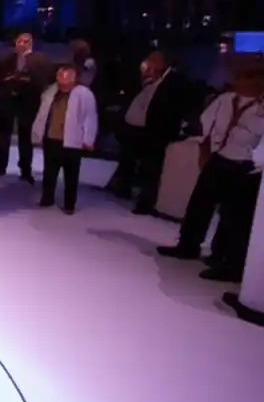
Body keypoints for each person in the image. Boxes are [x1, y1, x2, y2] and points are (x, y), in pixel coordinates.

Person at [157, 65, 264, 282]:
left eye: (246, 77)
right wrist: (205, 152)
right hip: (219, 158)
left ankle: (227, 262)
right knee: (199, 205)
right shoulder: (225, 100)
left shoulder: (261, 109)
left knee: (234, 217)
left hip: (246, 167)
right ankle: (188, 246)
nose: (239, 81)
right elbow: (205, 125)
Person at [110, 51, 190, 216]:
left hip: (157, 132)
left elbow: (171, 108)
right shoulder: (151, 79)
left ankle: (146, 202)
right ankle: (123, 186)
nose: (148, 63)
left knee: (151, 168)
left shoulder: (174, 82)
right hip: (139, 130)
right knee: (132, 160)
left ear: (162, 63)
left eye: (153, 60)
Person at [31, 65, 98, 215]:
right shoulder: (51, 91)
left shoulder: (84, 94)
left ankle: (69, 204)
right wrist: (37, 133)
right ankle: (47, 198)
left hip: (72, 141)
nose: (62, 83)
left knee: (71, 175)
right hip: (51, 137)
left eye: (66, 80)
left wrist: (88, 139)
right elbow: (42, 113)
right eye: (60, 79)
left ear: (74, 79)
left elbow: (90, 117)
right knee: (49, 172)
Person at [0, 32, 52, 183]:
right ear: (15, 42)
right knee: (3, 135)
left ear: (31, 43)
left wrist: (27, 81)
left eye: (26, 41)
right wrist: (7, 83)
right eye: (20, 41)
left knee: (26, 137)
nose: (22, 44)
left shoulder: (40, 60)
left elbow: (45, 80)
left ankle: (25, 170)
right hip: (7, 101)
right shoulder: (5, 59)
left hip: (28, 103)